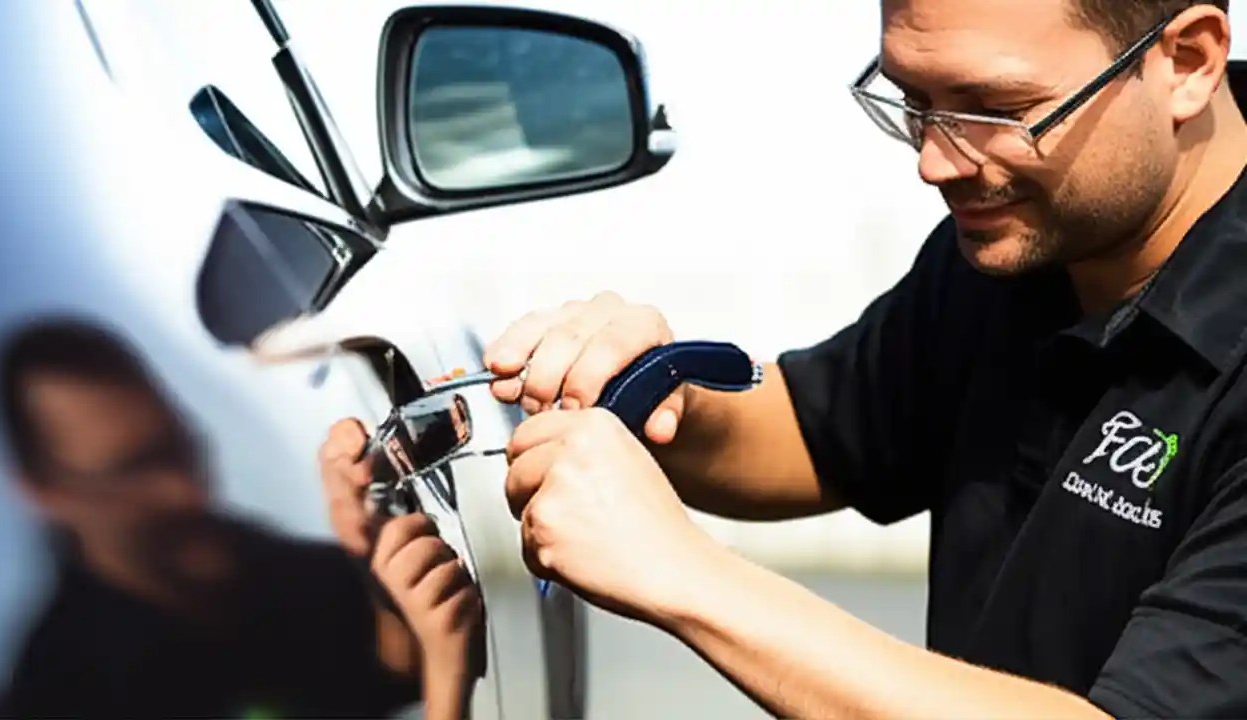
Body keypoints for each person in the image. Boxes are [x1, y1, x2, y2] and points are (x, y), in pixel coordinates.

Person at [326, 0, 1247, 717]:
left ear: (1188, 61)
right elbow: (816, 433)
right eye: (911, 101)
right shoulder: (1030, 241)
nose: (934, 161)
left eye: (994, 109)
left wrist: (683, 576)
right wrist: (643, 383)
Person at [0, 318, 480, 720]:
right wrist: (447, 686)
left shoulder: (286, 573)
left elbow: (383, 678)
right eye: (132, 471)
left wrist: (384, 587)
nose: (185, 492)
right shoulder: (63, 692)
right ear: (41, 490)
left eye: (178, 448)